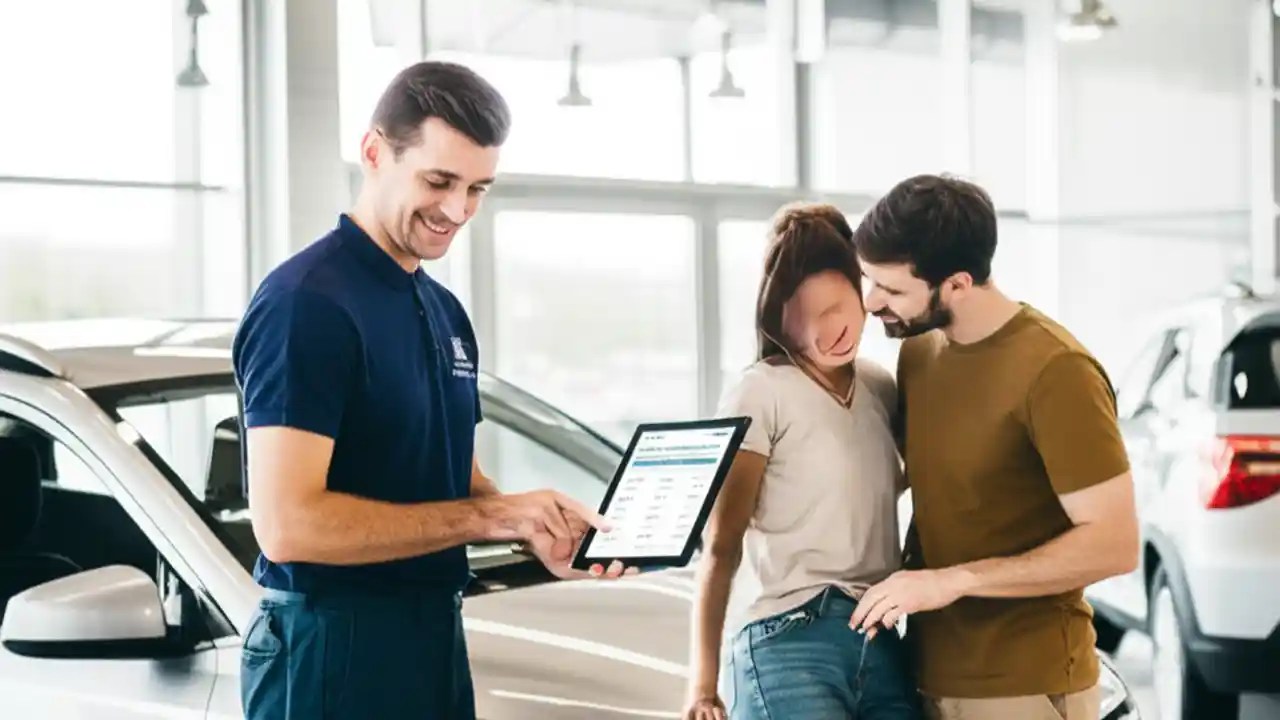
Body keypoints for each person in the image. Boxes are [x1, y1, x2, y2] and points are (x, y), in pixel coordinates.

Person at [233, 61, 631, 720]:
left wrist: (534, 526)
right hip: (329, 643)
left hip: (431, 633)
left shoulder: (443, 310)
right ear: (373, 153)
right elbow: (286, 525)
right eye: (439, 180)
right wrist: (494, 517)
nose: (457, 210)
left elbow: (447, 474)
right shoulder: (307, 304)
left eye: (478, 188)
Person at [848, 174, 1140, 720]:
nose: (869, 303)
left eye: (890, 289)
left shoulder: (1057, 373)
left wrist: (956, 581)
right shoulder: (918, 354)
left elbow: (1115, 544)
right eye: (868, 280)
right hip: (926, 670)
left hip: (1024, 684)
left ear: (957, 284)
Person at [683, 203, 922, 720]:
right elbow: (721, 547)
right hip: (787, 637)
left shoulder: (880, 385)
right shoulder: (760, 391)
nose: (833, 330)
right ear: (780, 318)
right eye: (812, 317)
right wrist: (702, 686)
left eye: (843, 307)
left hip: (879, 637)